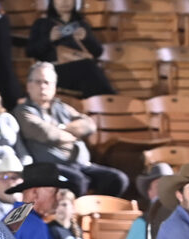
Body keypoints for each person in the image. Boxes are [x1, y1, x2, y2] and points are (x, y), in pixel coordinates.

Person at [16, 61, 129, 197]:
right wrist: (75, 132)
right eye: (38, 82)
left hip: (80, 164)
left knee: (117, 179)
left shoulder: (62, 108)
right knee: (78, 181)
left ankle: (99, 214)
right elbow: (49, 134)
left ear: (55, 87)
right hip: (48, 166)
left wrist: (62, 128)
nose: (43, 87)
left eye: (47, 82)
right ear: (29, 86)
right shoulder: (23, 111)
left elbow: (89, 125)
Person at [25, 0, 112, 99]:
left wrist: (86, 39)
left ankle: (101, 106)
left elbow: (98, 52)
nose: (64, 1)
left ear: (75, 0)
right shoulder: (42, 23)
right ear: (52, 1)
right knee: (88, 68)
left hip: (82, 70)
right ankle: (109, 99)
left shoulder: (81, 24)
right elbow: (30, 51)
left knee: (89, 70)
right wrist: (49, 39)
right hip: (54, 71)